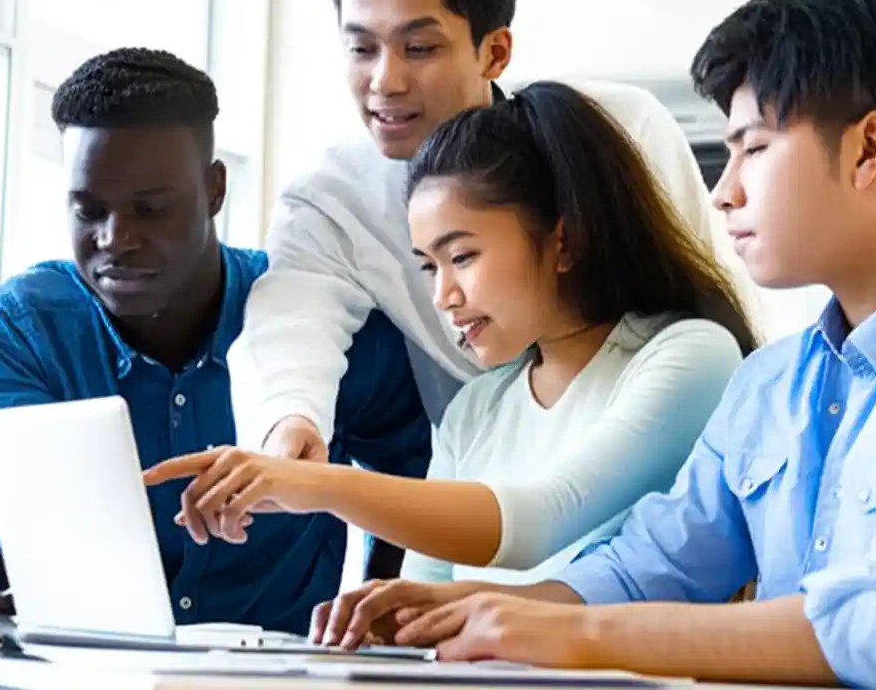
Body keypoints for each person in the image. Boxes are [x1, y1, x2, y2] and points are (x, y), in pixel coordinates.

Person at [302, 0, 876, 687]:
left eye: (753, 147)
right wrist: (456, 607)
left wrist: (577, 634)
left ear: (869, 149)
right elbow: (649, 568)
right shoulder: (774, 382)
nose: (724, 191)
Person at [143, 83, 754, 621]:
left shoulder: (691, 357)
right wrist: (377, 623)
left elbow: (536, 520)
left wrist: (314, 484)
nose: (444, 296)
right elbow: (423, 593)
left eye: (462, 257)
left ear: (565, 241)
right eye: (429, 266)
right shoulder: (476, 409)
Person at [0, 48, 431, 636]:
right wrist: (31, 574)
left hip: (278, 677)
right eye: (88, 210)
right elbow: (2, 529)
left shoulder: (316, 315)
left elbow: (415, 478)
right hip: (92, 666)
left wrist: (374, 613)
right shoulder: (27, 326)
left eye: (149, 209)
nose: (114, 239)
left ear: (214, 189)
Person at [224, 0, 760, 474]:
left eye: (419, 48)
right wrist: (290, 421)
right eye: (361, 48)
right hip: (477, 479)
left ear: (495, 52)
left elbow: (706, 296)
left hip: (663, 467)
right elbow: (290, 320)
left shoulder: (616, 131)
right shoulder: (334, 194)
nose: (384, 82)